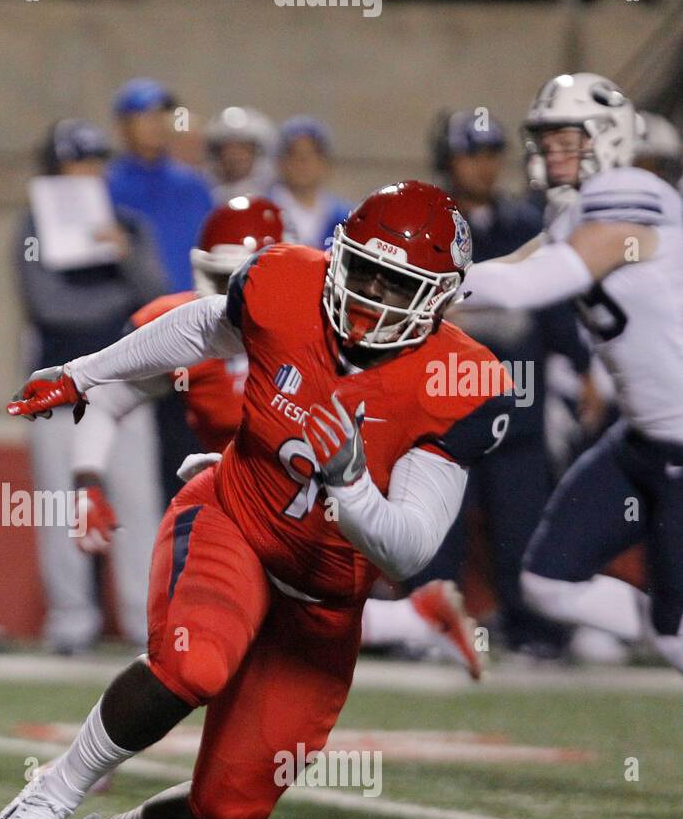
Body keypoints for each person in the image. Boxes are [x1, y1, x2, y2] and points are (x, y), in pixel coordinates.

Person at [0, 180, 514, 819]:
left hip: (324, 600)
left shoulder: (462, 383)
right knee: (194, 664)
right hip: (233, 518)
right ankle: (54, 790)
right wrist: (86, 369)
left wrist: (353, 482)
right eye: (361, 270)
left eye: (396, 283)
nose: (370, 295)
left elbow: (409, 548)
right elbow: (202, 325)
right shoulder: (284, 283)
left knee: (227, 810)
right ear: (336, 258)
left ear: (444, 295)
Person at [69, 196, 483, 677]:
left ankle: (412, 620)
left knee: (278, 619)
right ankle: (415, 620)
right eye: (225, 281)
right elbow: (108, 399)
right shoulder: (191, 329)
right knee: (245, 619)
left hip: (328, 493)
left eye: (242, 278)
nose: (239, 295)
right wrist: (87, 479)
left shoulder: (352, 336)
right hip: (244, 491)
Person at [457, 73, 683, 674]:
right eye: (546, 138)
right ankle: (666, 624)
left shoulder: (634, 191)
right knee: (546, 582)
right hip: (638, 438)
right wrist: (401, 287)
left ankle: (669, 628)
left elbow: (529, 286)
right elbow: (501, 270)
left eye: (568, 137)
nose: (552, 150)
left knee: (674, 638)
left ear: (607, 138)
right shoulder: (574, 210)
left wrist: (419, 283)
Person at [412, 110, 588, 658]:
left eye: (492, 154)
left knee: (522, 522)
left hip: (518, 394)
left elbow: (554, 305)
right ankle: (426, 624)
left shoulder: (524, 224)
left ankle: (532, 630)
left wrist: (582, 364)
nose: (484, 167)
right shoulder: (424, 221)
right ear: (448, 160)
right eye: (472, 154)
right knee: (436, 524)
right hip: (443, 398)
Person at [16, 118, 169, 653]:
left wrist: (124, 255)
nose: (85, 174)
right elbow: (51, 309)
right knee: (62, 505)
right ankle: (71, 621)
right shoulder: (35, 228)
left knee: (136, 505)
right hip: (58, 388)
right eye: (74, 163)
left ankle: (140, 621)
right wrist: (117, 305)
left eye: (93, 162)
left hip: (126, 387)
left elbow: (158, 300)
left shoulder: (128, 225)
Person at [106, 78, 216, 500]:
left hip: (187, 338)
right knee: (125, 474)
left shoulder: (192, 185)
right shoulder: (108, 184)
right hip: (129, 337)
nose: (155, 126)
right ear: (122, 125)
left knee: (181, 460)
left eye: (160, 116)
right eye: (143, 117)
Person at [268, 117, 351, 250]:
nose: (303, 162)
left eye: (312, 154)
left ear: (325, 162)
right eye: (294, 154)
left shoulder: (345, 217)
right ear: (280, 162)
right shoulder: (264, 213)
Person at [205, 105, 277, 203]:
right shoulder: (205, 196)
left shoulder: (277, 198)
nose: (235, 156)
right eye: (228, 149)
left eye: (243, 148)